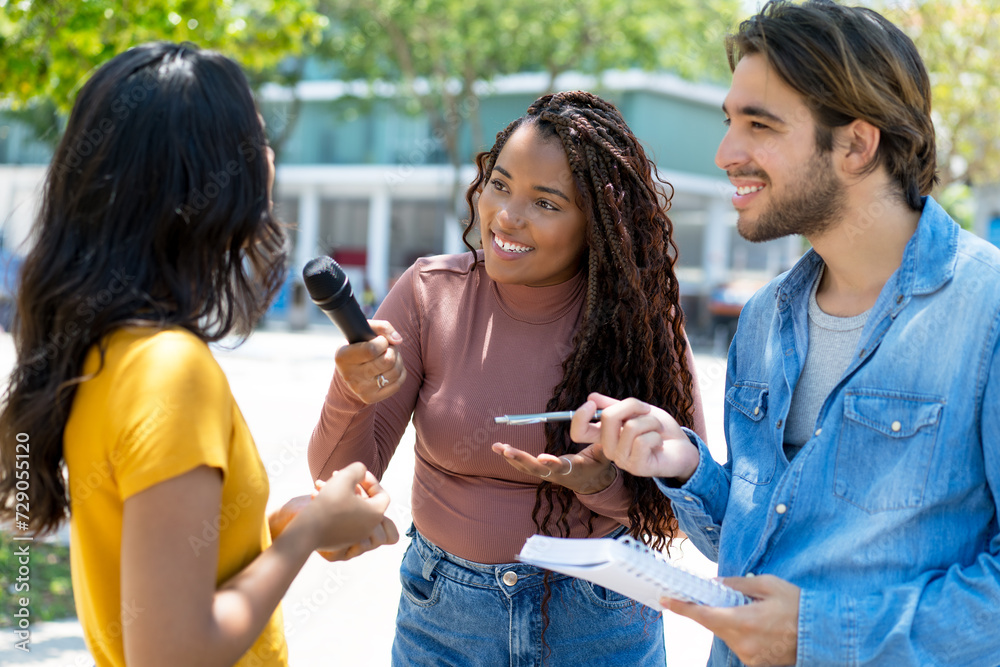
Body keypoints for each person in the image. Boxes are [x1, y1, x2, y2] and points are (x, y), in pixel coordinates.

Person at [572, 1, 1000, 665]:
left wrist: (819, 635)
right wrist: (684, 466)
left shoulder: (988, 310)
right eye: (729, 122)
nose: (725, 153)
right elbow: (766, 535)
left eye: (759, 125)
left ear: (857, 144)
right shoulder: (767, 316)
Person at [0, 42, 397, 667]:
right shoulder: (171, 371)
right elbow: (175, 652)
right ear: (210, 177)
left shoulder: (106, 348)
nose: (267, 157)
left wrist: (273, 536)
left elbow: (164, 587)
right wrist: (316, 532)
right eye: (256, 137)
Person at [307, 91, 707, 665]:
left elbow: (684, 516)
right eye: (499, 184)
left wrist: (597, 485)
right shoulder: (428, 294)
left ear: (598, 222)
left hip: (600, 619)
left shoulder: (642, 321)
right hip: (443, 620)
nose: (506, 217)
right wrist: (353, 389)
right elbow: (336, 485)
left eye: (545, 202)